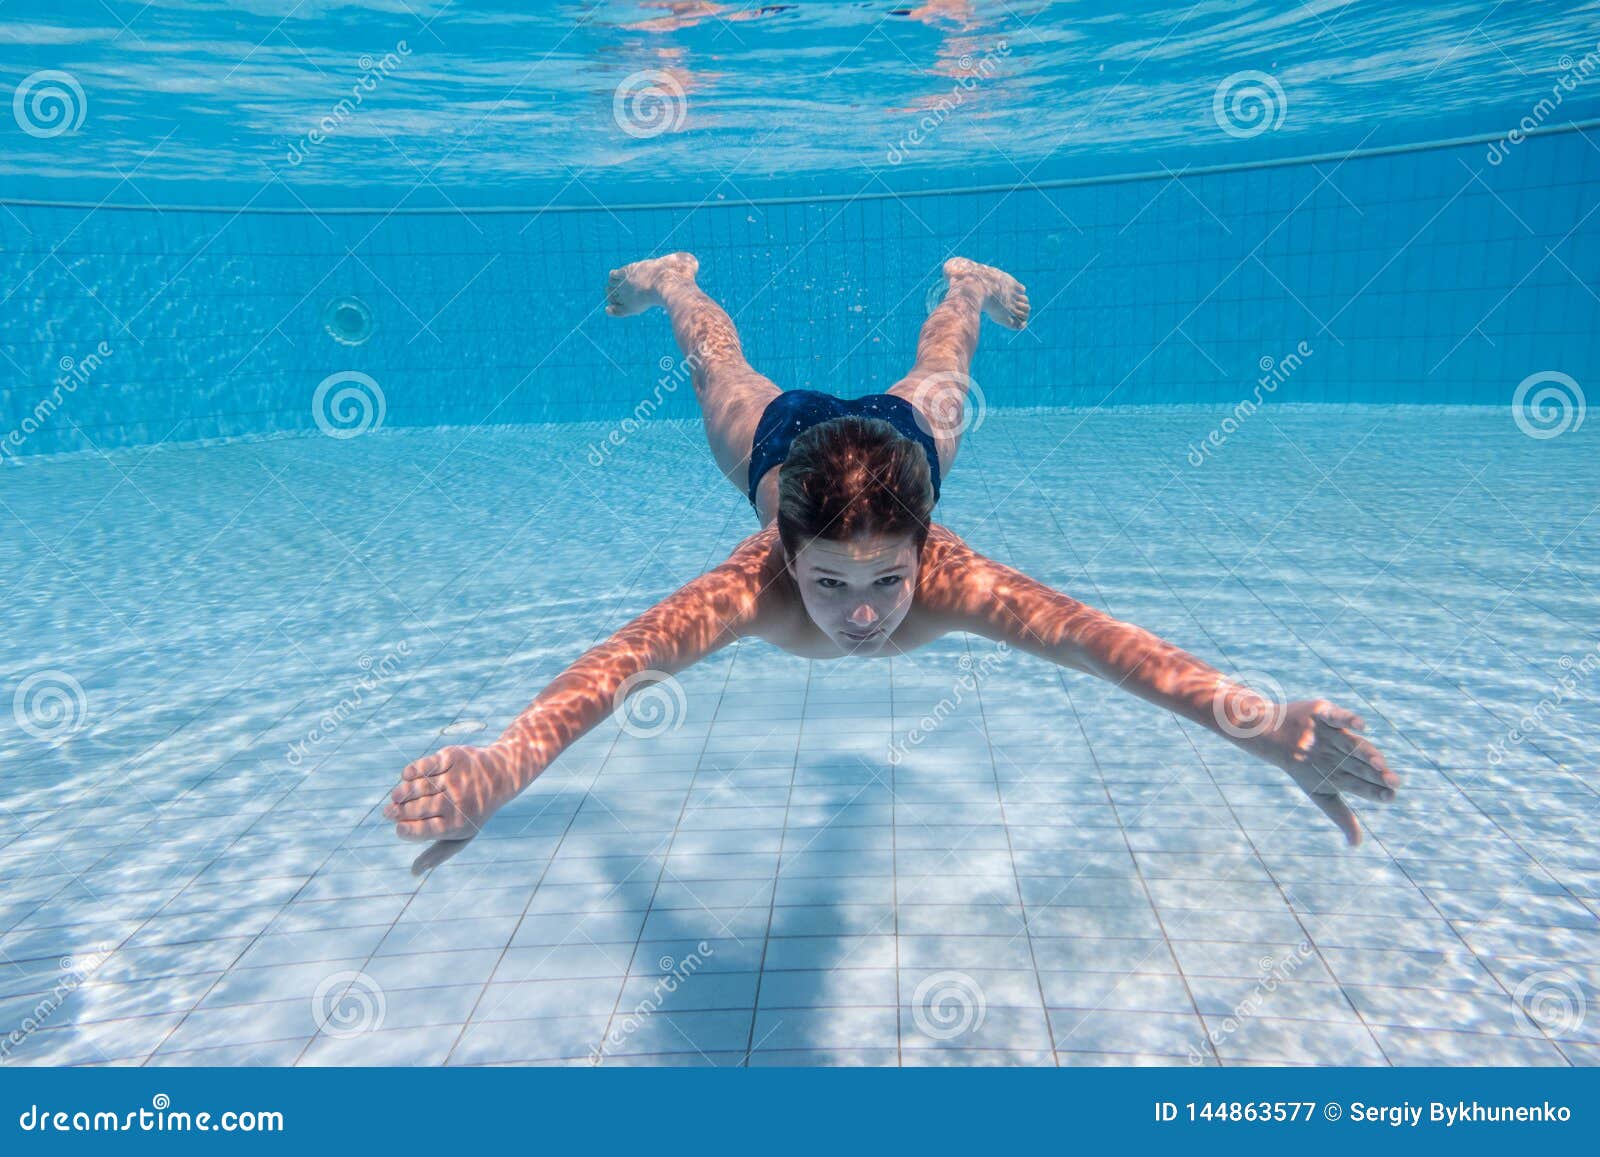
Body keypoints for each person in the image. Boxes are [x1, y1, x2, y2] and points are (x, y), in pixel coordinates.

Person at [384, 253, 1399, 873]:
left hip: (895, 441)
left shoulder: (953, 575)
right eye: (827, 583)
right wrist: (500, 767)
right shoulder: (754, 579)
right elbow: (613, 669)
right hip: (790, 446)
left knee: (945, 369)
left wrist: (1265, 728)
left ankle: (965, 281)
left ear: (929, 546)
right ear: (779, 548)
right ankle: (676, 281)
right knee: (722, 374)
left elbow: (1107, 649)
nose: (861, 618)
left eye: (885, 582)